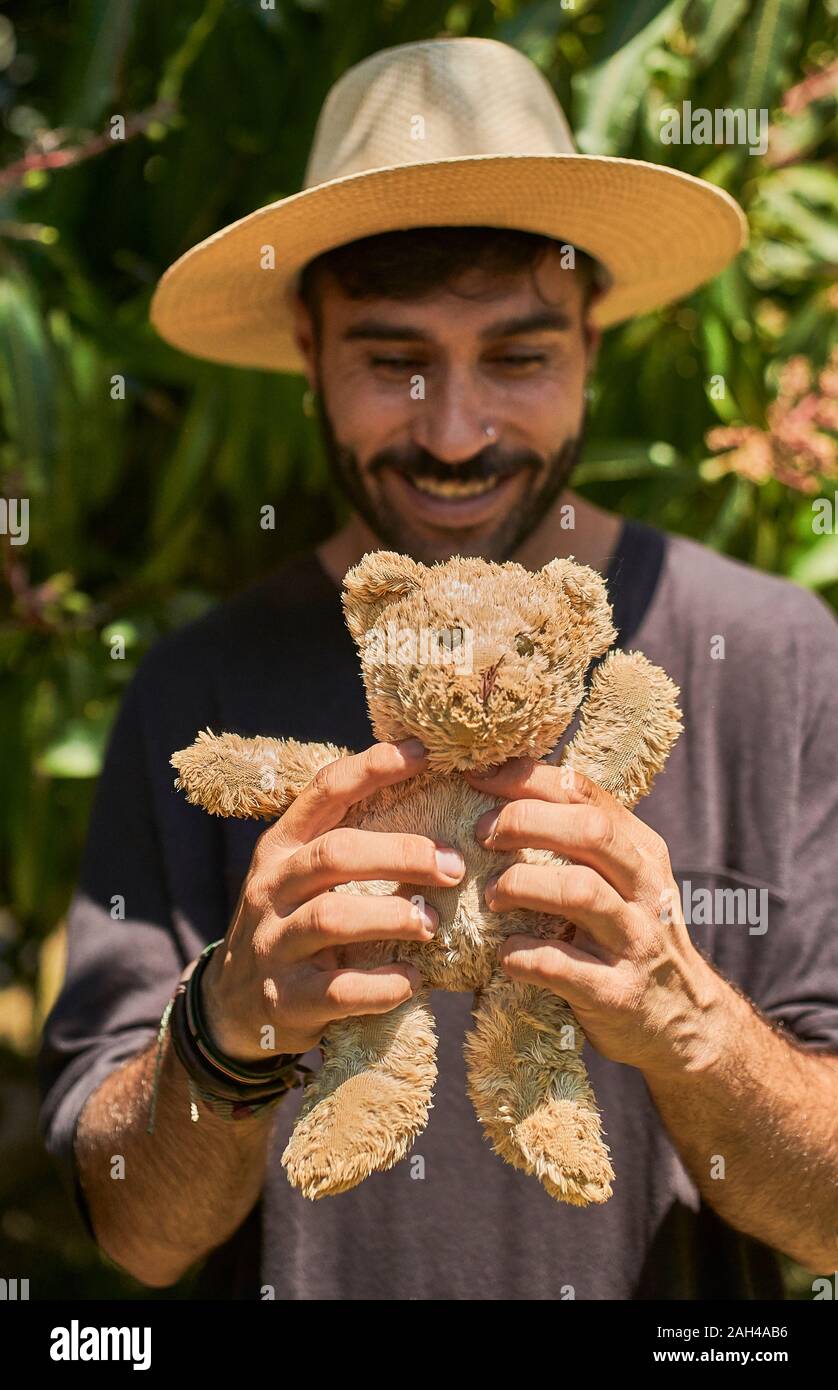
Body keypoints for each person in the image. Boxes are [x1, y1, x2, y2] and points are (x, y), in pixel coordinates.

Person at [39, 36, 838, 1300]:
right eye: (391, 360)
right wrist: (229, 1020)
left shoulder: (778, 653)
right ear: (307, 344)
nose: (456, 431)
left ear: (593, 338)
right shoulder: (199, 688)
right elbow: (134, 1229)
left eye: (518, 357)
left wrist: (689, 1024)